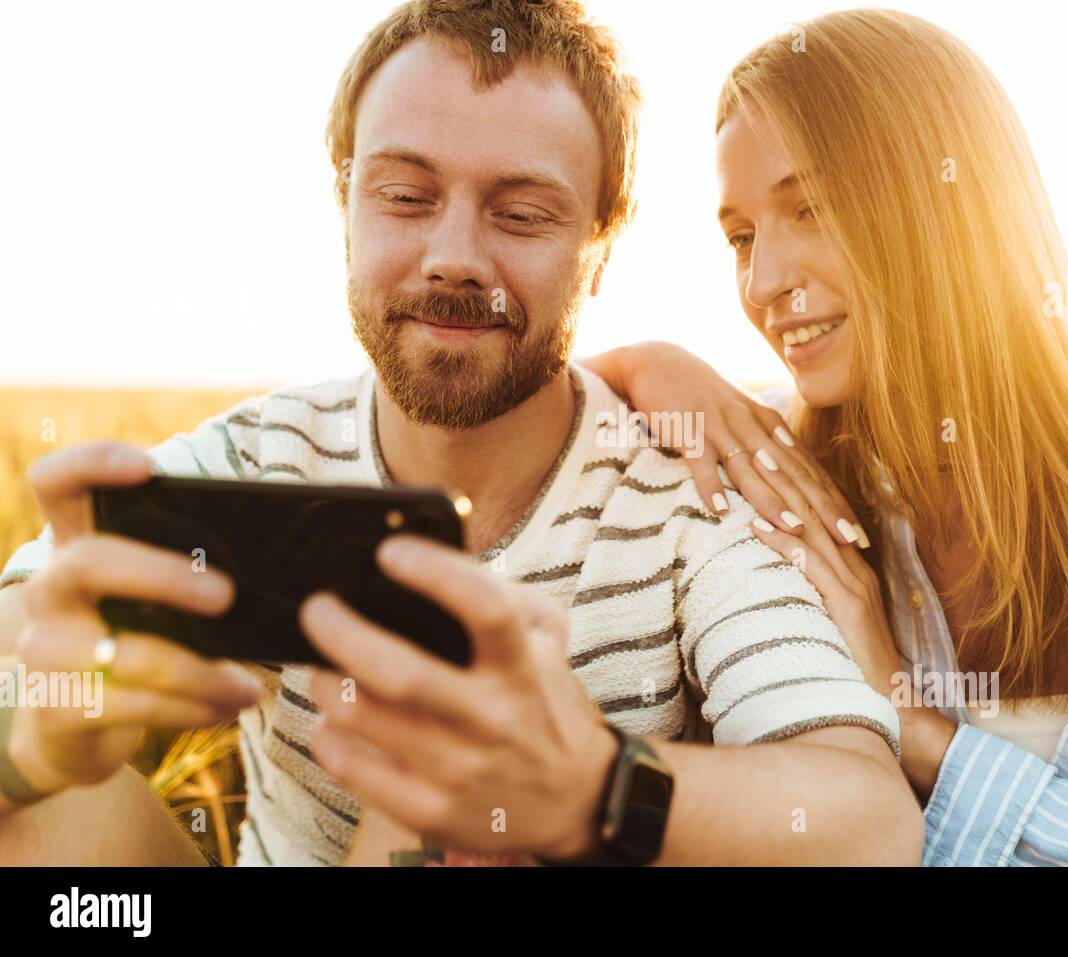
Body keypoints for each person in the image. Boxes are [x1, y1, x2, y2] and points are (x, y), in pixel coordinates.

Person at [0, 0, 921, 867]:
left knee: (441, 802)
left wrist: (591, 784)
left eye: (521, 214)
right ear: (346, 207)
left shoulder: (694, 493)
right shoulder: (262, 459)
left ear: (600, 249)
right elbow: (29, 634)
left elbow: (869, 822)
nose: (454, 257)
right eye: (405, 196)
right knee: (40, 815)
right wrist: (31, 730)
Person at [583, 9, 1068, 865]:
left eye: (808, 207)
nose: (764, 281)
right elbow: (514, 423)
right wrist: (641, 362)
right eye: (741, 238)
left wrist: (919, 733)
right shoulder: (774, 472)